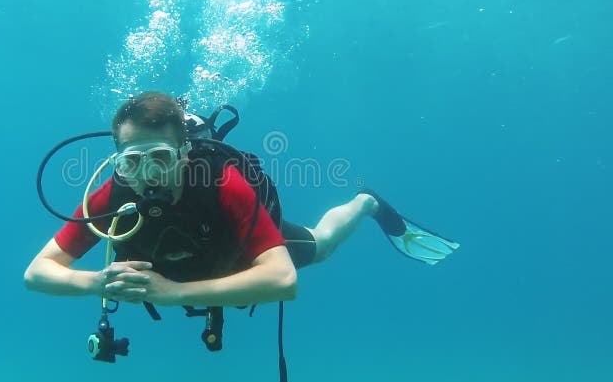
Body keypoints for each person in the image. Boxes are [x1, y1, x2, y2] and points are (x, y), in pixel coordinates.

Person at [24, 91, 459, 307]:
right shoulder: (112, 194)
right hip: (195, 268)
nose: (147, 174)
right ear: (117, 161)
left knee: (322, 244)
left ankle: (365, 202)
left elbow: (283, 281)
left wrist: (172, 293)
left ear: (184, 153)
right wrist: (96, 282)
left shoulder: (222, 183)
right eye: (132, 162)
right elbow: (37, 272)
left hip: (236, 249)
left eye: (160, 157)